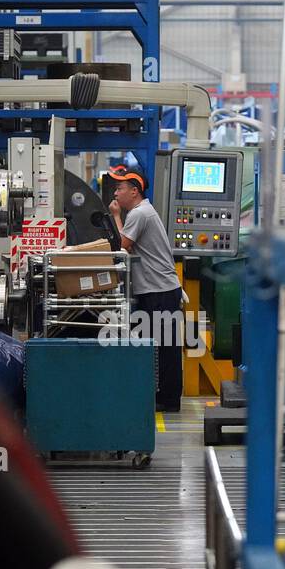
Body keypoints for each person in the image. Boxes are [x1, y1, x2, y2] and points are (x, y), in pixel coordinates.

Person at [106, 164, 183, 413]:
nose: (116, 194)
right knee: (158, 345)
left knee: (166, 347)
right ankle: (162, 395)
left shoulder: (140, 214)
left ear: (135, 191)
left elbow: (122, 246)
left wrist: (116, 217)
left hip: (159, 290)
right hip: (155, 289)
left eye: (120, 188)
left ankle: (169, 400)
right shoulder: (142, 212)